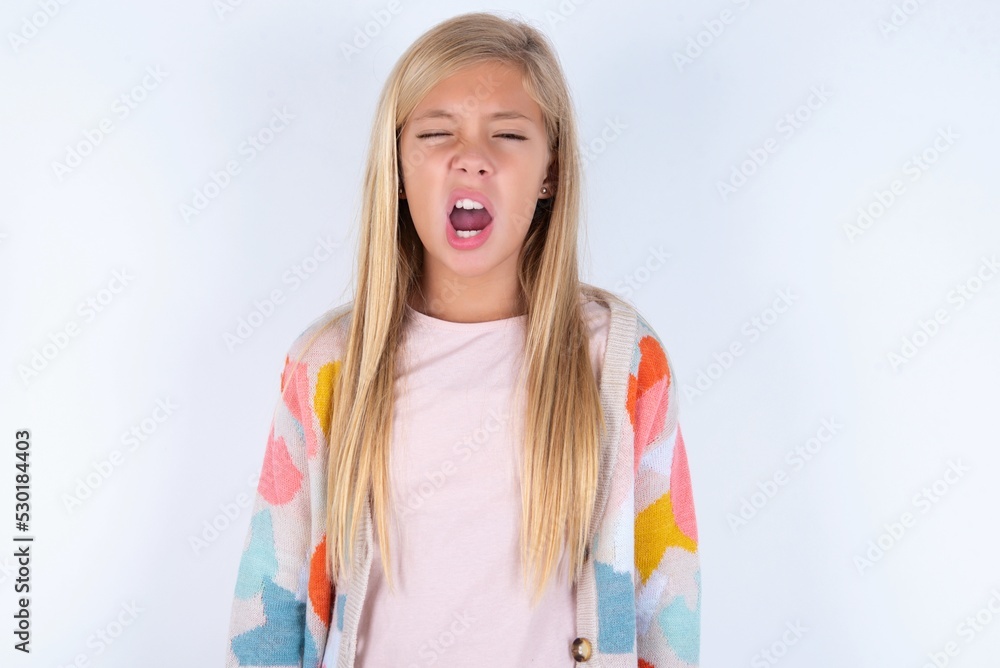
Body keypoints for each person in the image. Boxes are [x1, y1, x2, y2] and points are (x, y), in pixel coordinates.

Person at [225, 11, 700, 668]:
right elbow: (270, 600)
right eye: (435, 133)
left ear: (550, 175)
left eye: (507, 134)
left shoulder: (621, 361)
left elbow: (664, 603)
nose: (470, 158)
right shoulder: (328, 365)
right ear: (398, 166)